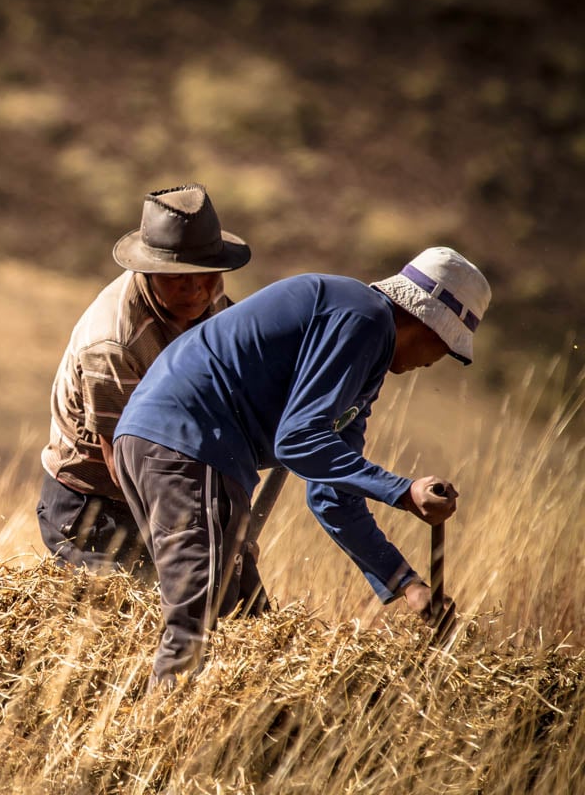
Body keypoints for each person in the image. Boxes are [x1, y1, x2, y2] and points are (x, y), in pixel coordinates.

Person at [112, 247, 490, 687]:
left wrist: (407, 583)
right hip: (190, 443)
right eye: (446, 349)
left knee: (243, 620)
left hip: (163, 443)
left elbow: (331, 493)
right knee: (197, 623)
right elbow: (297, 440)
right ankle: (162, 739)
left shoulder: (362, 353)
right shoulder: (363, 318)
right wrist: (403, 492)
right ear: (431, 326)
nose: (433, 363)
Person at [37, 184, 254, 585]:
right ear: (148, 270)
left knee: (243, 611)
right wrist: (187, 535)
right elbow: (124, 464)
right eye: (178, 279)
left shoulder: (216, 304)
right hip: (97, 507)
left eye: (205, 274)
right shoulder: (113, 343)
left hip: (177, 487)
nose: (195, 290)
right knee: (131, 623)